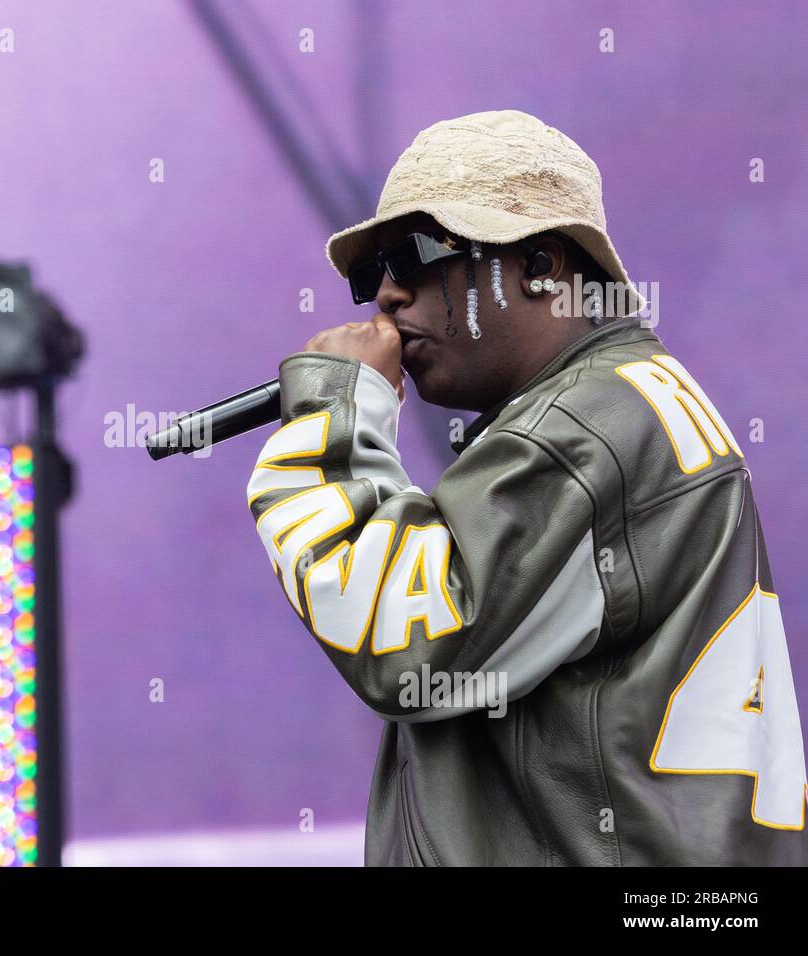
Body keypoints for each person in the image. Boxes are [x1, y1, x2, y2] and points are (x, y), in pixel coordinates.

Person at [247, 110, 807, 865]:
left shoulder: (577, 433)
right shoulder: (628, 399)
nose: (385, 296)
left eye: (413, 256)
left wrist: (334, 423)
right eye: (371, 272)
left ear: (542, 265)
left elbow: (394, 641)